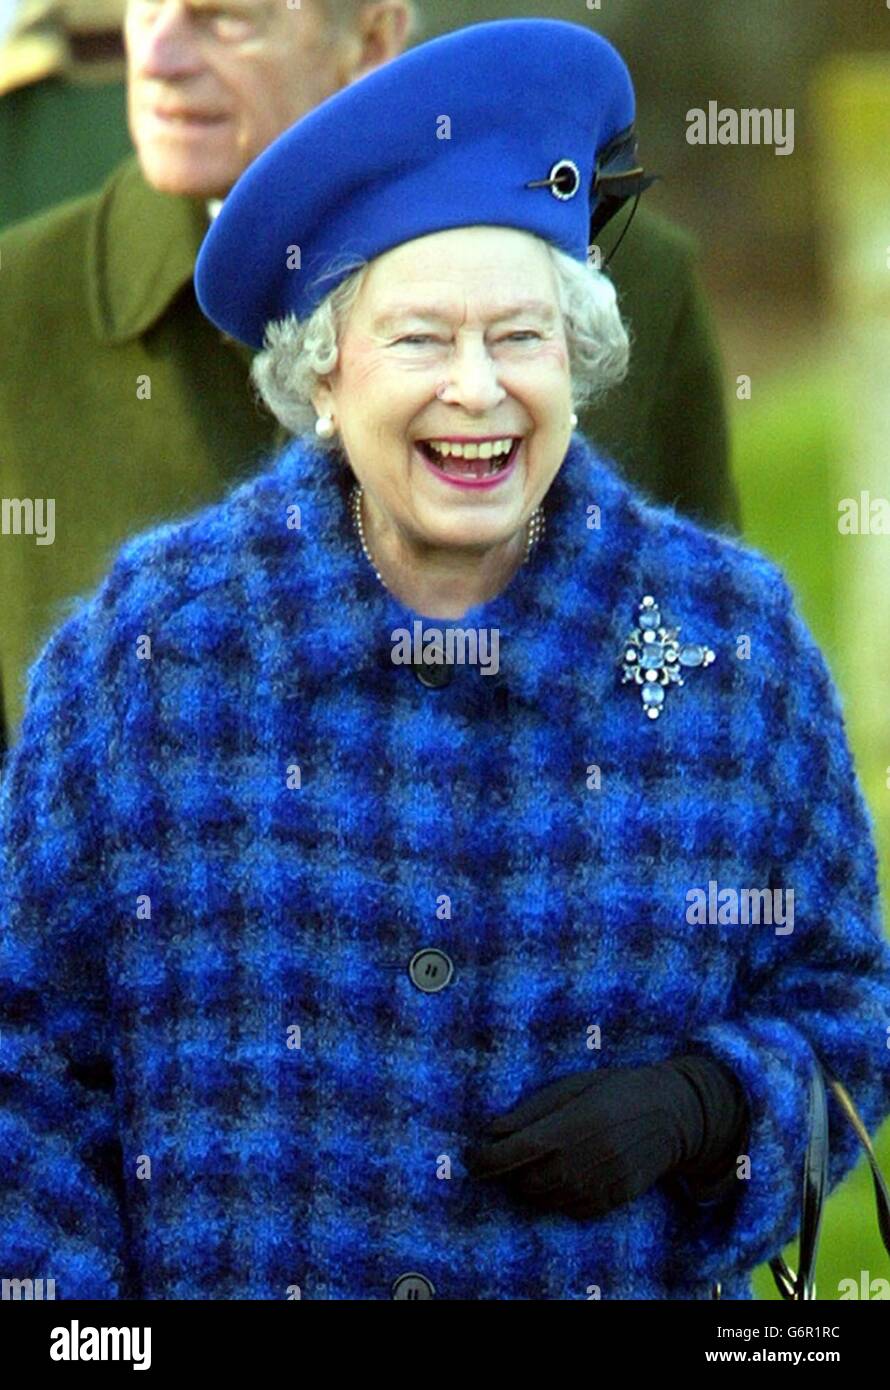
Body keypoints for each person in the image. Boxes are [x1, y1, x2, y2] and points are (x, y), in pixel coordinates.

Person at [4, 18, 875, 1301]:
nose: (477, 391)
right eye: (420, 340)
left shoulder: (731, 652)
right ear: (323, 373)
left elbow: (845, 1012)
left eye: (520, 338)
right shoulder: (144, 658)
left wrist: (706, 1104)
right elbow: (23, 1058)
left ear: (575, 359)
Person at [0, 0, 737, 756]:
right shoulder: (20, 304)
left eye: (223, 19)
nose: (157, 57)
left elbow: (703, 662)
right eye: (143, 6)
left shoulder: (634, 280)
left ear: (373, 37)